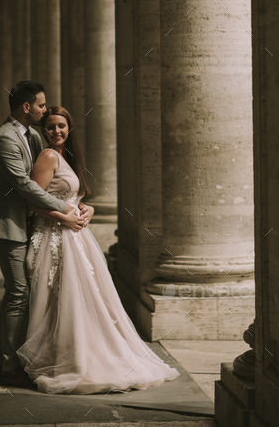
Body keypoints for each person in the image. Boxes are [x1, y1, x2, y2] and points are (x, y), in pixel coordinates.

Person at [16, 106, 180, 394]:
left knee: (84, 297)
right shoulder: (47, 156)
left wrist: (83, 206)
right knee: (60, 298)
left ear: (70, 128)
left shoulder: (66, 155)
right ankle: (62, 358)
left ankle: (84, 352)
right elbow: (33, 202)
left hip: (74, 234)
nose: (56, 131)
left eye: (61, 126)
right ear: (44, 130)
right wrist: (65, 217)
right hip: (56, 235)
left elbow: (67, 194)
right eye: (51, 126)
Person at [0, 81, 92, 388]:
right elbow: (24, 185)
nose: (46, 112)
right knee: (18, 294)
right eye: (42, 106)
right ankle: (8, 367)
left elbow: (52, 179)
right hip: (9, 226)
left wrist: (79, 206)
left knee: (27, 295)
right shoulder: (4, 138)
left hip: (33, 225)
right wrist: (65, 208)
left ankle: (27, 357)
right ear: (27, 106)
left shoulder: (31, 134)